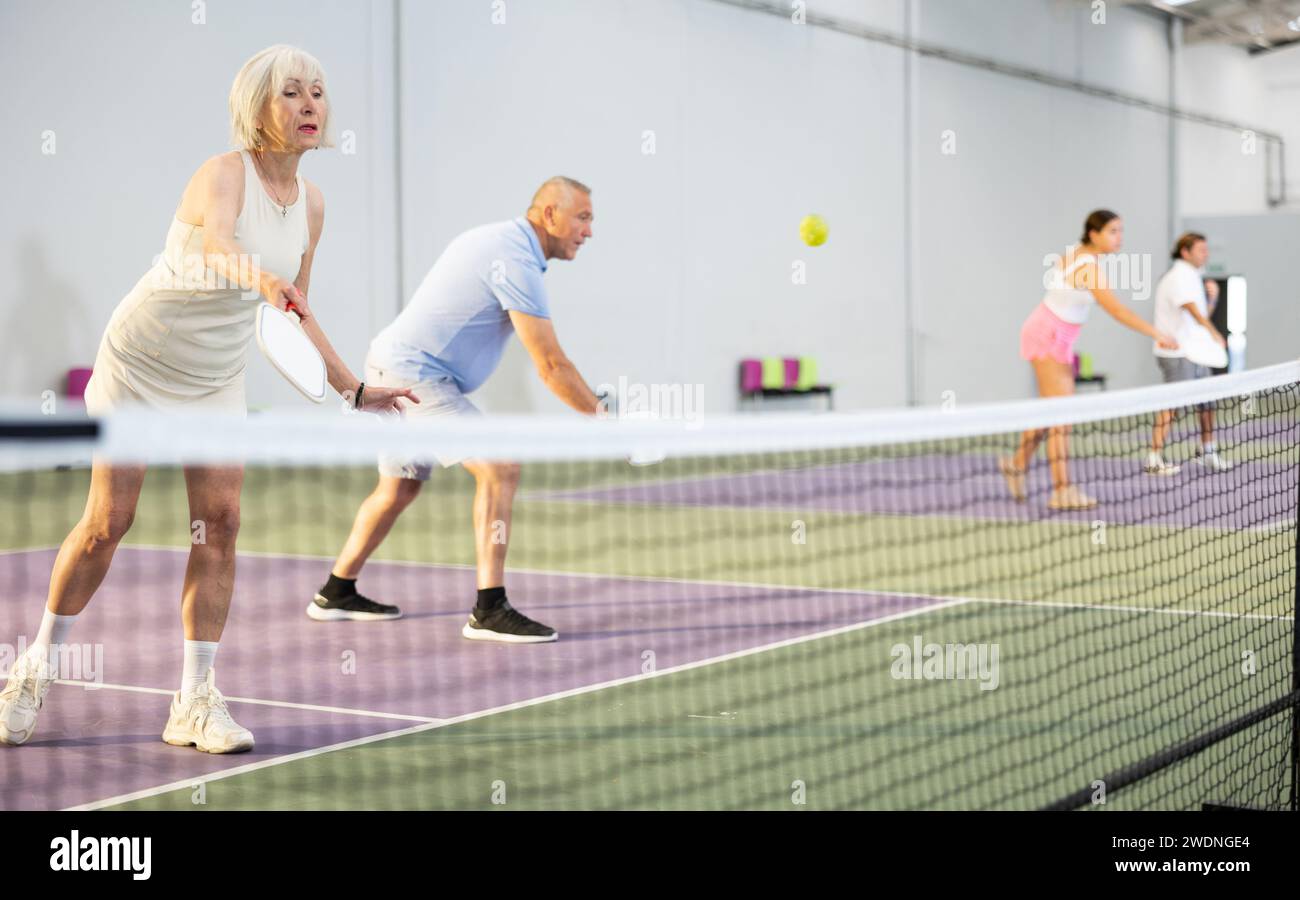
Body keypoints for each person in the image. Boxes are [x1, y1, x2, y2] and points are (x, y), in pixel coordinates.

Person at [0, 45, 416, 752]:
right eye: (292, 93)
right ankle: (32, 668)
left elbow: (299, 304)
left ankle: (193, 700)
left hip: (216, 376)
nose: (310, 104)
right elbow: (221, 247)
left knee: (220, 525)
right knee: (109, 522)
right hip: (140, 359)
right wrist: (261, 283)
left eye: (317, 92)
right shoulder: (222, 174)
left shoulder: (312, 203)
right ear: (258, 108)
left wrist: (352, 388)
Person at [308, 177, 602, 643]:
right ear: (549, 214)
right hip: (415, 374)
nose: (588, 231)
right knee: (499, 468)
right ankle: (490, 608)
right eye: (582, 217)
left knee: (399, 487)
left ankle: (337, 590)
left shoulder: (503, 242)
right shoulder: (514, 257)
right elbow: (550, 365)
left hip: (392, 365)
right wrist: (606, 425)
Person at [1000, 210, 1178, 510]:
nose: (1119, 237)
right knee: (1062, 417)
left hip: (1053, 334)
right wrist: (1156, 333)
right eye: (1112, 231)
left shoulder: (1076, 254)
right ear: (1093, 234)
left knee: (1051, 412)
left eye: (1121, 230)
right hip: (1047, 335)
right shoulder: (1089, 268)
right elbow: (1118, 311)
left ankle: (1016, 465)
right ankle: (1062, 491)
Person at [1146, 233, 1232, 475]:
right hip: (1176, 353)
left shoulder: (1194, 277)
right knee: (1172, 404)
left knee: (1207, 402)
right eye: (1201, 250)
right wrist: (1215, 333)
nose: (1206, 254)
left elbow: (1198, 315)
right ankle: (1153, 457)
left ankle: (1207, 451)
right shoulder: (1178, 276)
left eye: (1207, 249)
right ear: (1185, 252)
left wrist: (1212, 299)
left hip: (1197, 352)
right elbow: (1192, 310)